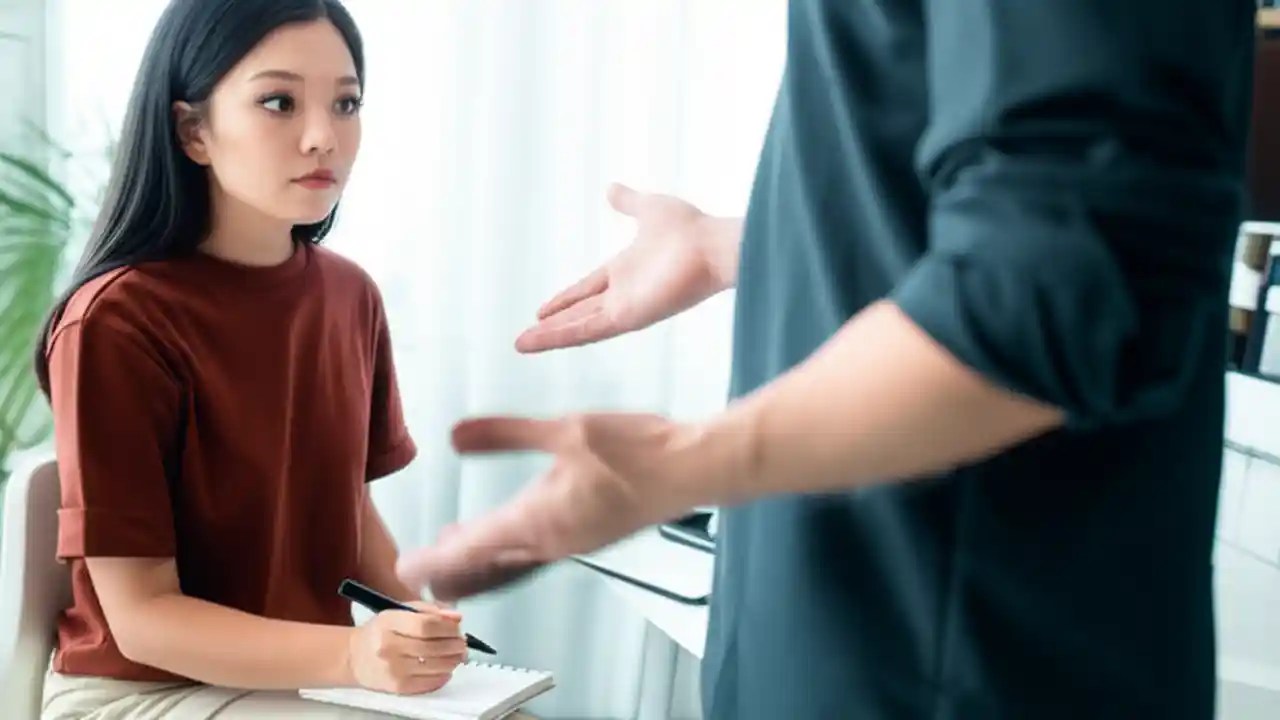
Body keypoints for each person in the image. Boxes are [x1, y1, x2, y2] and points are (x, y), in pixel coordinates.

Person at [396, 1, 1256, 718]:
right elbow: (969, 210)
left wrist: (676, 465)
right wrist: (737, 245)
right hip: (840, 638)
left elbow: (1059, 285)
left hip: (963, 662)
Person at [35, 1, 468, 717]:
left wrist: (418, 620)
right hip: (142, 693)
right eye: (279, 102)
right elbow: (143, 620)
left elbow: (346, 506)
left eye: (346, 102)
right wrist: (353, 654)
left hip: (301, 683)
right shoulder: (115, 322)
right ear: (192, 130)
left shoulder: (349, 296)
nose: (323, 136)